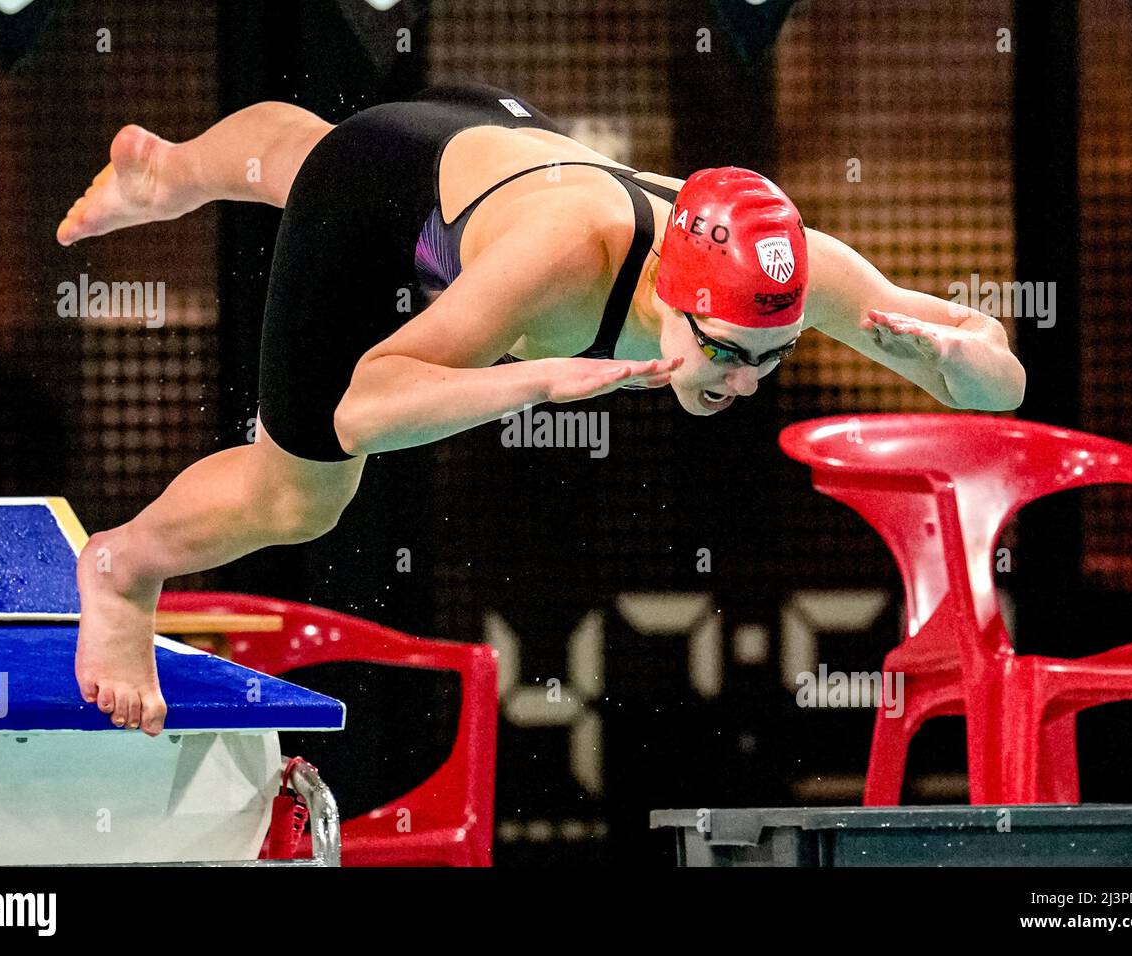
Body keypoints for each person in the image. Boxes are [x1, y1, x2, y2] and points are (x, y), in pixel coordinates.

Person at [57, 82, 1025, 735]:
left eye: (773, 361)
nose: (742, 386)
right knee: (302, 495)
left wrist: (957, 360)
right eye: (726, 357)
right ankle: (123, 568)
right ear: (671, 294)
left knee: (325, 148)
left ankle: (173, 172)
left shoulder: (784, 267)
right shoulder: (565, 260)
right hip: (380, 192)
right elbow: (365, 405)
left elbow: (1000, 379)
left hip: (481, 131)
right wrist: (531, 380)